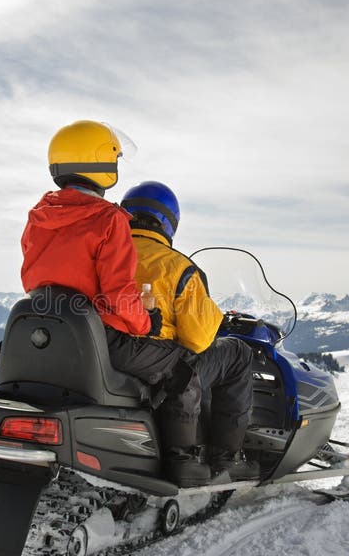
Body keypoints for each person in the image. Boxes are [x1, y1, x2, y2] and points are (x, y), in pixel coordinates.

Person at [20, 120, 212, 486]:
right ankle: (181, 462)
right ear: (101, 165)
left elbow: (33, 277)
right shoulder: (109, 220)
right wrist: (149, 323)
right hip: (101, 335)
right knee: (182, 371)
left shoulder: (39, 216)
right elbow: (119, 295)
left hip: (48, 326)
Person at [120, 180, 256, 482]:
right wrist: (215, 316)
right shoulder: (177, 267)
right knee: (237, 354)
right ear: (169, 222)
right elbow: (198, 338)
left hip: (114, 354)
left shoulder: (104, 256)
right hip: (159, 365)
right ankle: (226, 459)